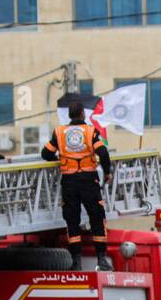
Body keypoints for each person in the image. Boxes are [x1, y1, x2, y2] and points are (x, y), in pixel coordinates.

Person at [41, 101, 113, 270]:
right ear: (82, 114)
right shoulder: (90, 131)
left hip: (69, 183)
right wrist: (107, 172)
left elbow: (45, 154)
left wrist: (60, 160)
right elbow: (103, 152)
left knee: (72, 221)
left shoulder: (59, 132)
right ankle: (101, 259)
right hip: (89, 181)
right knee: (96, 219)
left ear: (70, 115)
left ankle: (76, 262)